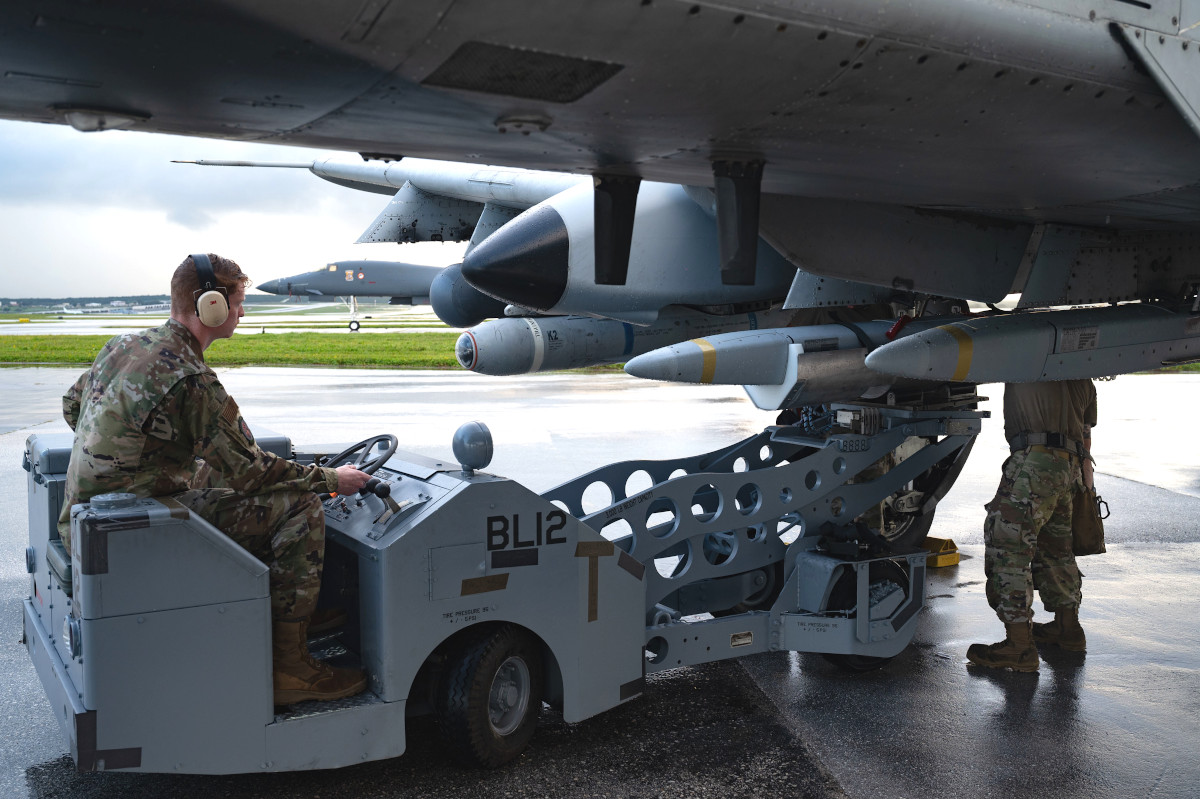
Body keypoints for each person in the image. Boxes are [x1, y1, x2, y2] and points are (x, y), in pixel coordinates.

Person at [58, 253, 372, 705]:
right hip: (129, 532)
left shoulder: (125, 344)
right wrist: (328, 478)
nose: (242, 312)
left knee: (210, 473)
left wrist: (141, 460)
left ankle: (290, 610)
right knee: (299, 506)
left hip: (87, 520)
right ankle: (290, 667)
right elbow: (251, 470)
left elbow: (73, 408)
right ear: (211, 306)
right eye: (239, 303)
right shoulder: (192, 380)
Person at [968, 379, 1096, 672]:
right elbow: (1086, 437)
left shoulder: (1029, 362)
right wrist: (1086, 490)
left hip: (1034, 461)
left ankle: (1019, 646)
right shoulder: (1085, 378)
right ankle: (1068, 629)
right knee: (1057, 548)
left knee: (1007, 544)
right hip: (1070, 465)